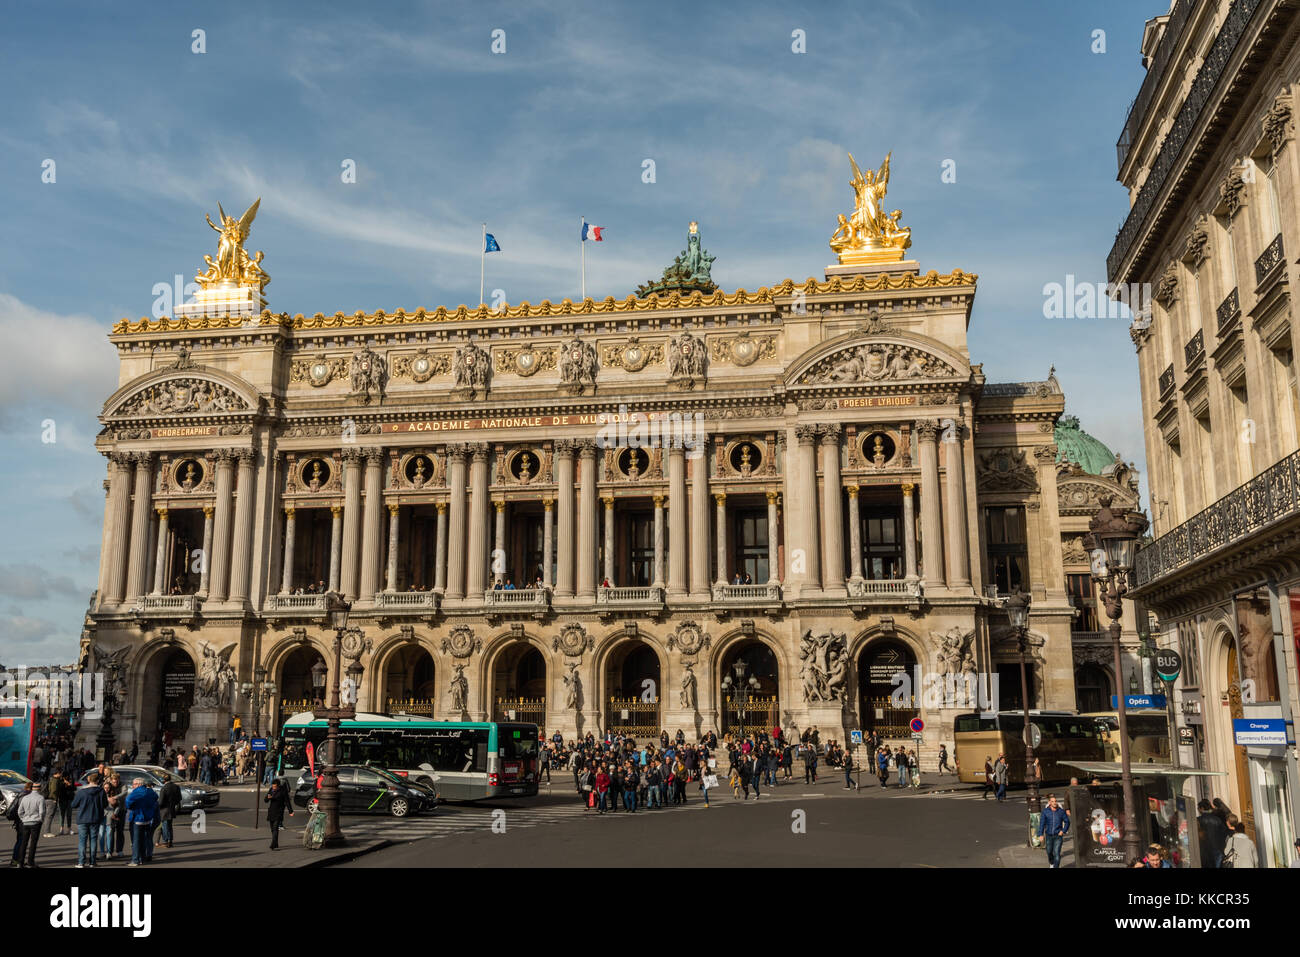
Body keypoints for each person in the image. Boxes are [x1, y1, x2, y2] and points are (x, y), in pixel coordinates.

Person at [71, 771, 108, 868]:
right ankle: (92, 862)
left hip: (83, 818)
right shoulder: (101, 791)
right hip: (95, 818)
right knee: (93, 840)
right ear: (97, 780)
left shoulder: (82, 792)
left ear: (88, 780)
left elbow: (73, 805)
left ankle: (81, 862)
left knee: (82, 841)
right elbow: (105, 804)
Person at [125, 777, 159, 866]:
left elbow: (128, 800)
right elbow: (156, 797)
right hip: (147, 818)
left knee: (136, 841)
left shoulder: (137, 791)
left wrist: (132, 807)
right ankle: (142, 858)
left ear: (139, 784)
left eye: (134, 784)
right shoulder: (150, 791)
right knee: (144, 839)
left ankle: (135, 860)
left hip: (138, 818)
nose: (132, 786)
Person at [11, 781, 45, 868]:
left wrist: (23, 819)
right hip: (35, 822)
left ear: (32, 788)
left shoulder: (25, 798)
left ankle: (20, 862)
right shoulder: (40, 798)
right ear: (39, 789)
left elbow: (19, 811)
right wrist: (40, 820)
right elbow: (42, 812)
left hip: (25, 822)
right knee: (33, 843)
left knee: (24, 843)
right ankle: (30, 862)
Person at [1036, 794, 1070, 868]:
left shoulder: (1061, 811)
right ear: (1049, 803)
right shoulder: (1045, 811)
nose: (1054, 803)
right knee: (1049, 852)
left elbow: (1067, 822)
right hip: (1049, 835)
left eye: (1055, 801)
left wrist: (1063, 831)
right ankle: (1051, 862)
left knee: (1057, 854)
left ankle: (1055, 866)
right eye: (1053, 801)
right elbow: (1042, 823)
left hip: (1058, 836)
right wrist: (1040, 834)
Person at [1196, 799, 1228, 869]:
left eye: (1198, 808)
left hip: (1204, 849)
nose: (1198, 810)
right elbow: (1224, 833)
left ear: (1202, 808)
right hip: (1217, 848)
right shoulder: (1217, 819)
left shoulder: (1198, 820)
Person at [265, 778, 294, 850]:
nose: (274, 787)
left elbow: (287, 802)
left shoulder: (283, 791)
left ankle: (273, 844)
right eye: (273, 786)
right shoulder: (271, 790)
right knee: (272, 829)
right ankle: (276, 843)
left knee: (275, 828)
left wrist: (290, 811)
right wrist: (268, 798)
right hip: (271, 811)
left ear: (278, 786)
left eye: (275, 786)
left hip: (279, 811)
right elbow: (265, 800)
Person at [157, 773, 181, 848]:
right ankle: (170, 840)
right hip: (172, 808)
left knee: (165, 826)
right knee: (169, 826)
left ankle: (165, 841)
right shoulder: (176, 787)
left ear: (164, 780)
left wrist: (157, 807)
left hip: (164, 809)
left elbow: (160, 802)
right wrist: (173, 803)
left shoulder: (164, 788)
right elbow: (179, 798)